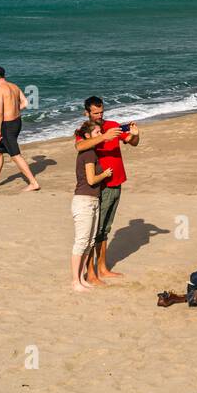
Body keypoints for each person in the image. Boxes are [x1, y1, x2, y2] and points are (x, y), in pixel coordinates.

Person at [74, 97, 140, 283]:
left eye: (101, 112)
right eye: (95, 113)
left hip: (117, 183)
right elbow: (79, 146)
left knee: (105, 229)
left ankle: (102, 268)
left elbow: (132, 142)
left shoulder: (112, 125)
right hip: (98, 186)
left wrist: (135, 134)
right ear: (86, 113)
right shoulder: (85, 131)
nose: (99, 116)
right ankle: (91, 272)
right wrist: (104, 136)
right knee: (95, 230)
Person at [0, 66, 40, 192]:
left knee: (15, 155)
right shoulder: (14, 86)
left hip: (7, 126)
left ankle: (33, 183)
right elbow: (25, 103)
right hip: (17, 122)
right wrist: (13, 109)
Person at [70, 120, 111, 292]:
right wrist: (105, 174)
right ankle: (75, 281)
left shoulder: (92, 152)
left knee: (90, 241)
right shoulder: (88, 153)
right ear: (87, 135)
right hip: (84, 201)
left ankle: (81, 278)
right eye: (97, 133)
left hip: (92, 200)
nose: (100, 135)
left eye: (101, 132)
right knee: (81, 242)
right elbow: (91, 179)